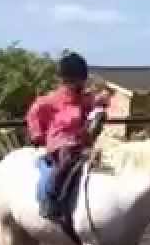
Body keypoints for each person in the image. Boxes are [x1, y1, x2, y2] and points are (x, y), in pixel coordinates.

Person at [26, 51, 104, 223]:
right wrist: (37, 135)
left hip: (82, 142)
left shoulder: (85, 99)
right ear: (68, 80)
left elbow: (95, 108)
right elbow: (34, 113)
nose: (82, 83)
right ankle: (51, 199)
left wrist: (99, 106)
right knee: (66, 159)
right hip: (61, 143)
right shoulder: (50, 100)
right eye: (79, 80)